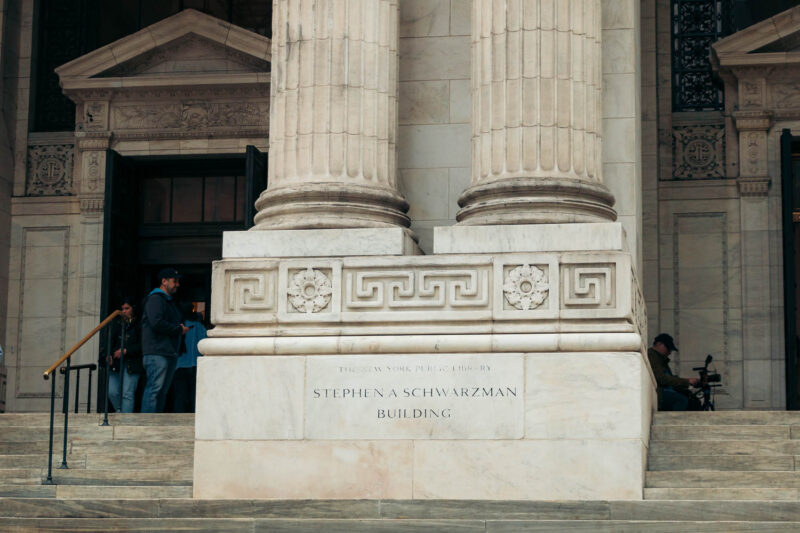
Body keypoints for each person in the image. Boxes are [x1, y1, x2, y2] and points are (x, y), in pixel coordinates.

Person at [141, 268, 188, 413]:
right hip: (157, 352)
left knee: (161, 391)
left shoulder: (167, 301)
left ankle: (155, 422)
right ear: (164, 281)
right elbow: (156, 322)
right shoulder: (155, 298)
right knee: (155, 389)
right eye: (175, 281)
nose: (177, 284)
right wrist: (178, 329)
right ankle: (147, 423)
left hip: (167, 352)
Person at [105, 298, 143, 413]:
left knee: (127, 393)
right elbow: (109, 342)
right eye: (122, 309)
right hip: (116, 363)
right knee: (112, 392)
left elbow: (142, 345)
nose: (124, 311)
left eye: (127, 308)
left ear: (133, 309)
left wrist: (126, 350)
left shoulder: (139, 324)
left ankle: (125, 421)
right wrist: (108, 355)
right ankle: (121, 414)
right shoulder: (117, 324)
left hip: (131, 363)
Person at [647, 333, 700, 411]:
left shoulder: (660, 358)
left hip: (665, 392)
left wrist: (687, 382)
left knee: (692, 399)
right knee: (681, 400)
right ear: (659, 344)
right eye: (668, 348)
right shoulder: (651, 355)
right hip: (659, 394)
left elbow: (669, 378)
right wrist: (687, 381)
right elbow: (662, 378)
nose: (669, 352)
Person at [171, 302, 207, 413]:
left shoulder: (177, 326)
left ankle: (178, 419)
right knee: (194, 396)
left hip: (179, 366)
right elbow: (204, 344)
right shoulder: (199, 326)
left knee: (179, 396)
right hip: (195, 365)